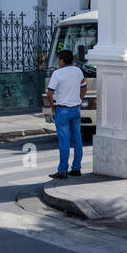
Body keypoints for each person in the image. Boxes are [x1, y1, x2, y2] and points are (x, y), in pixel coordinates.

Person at [46, 48, 86, 179]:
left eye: (58, 59)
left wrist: (53, 107)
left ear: (62, 60)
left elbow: (50, 92)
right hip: (75, 109)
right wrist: (79, 99)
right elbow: (84, 87)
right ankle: (76, 168)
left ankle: (62, 170)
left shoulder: (57, 74)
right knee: (77, 140)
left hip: (62, 110)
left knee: (64, 141)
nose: (58, 62)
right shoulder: (78, 71)